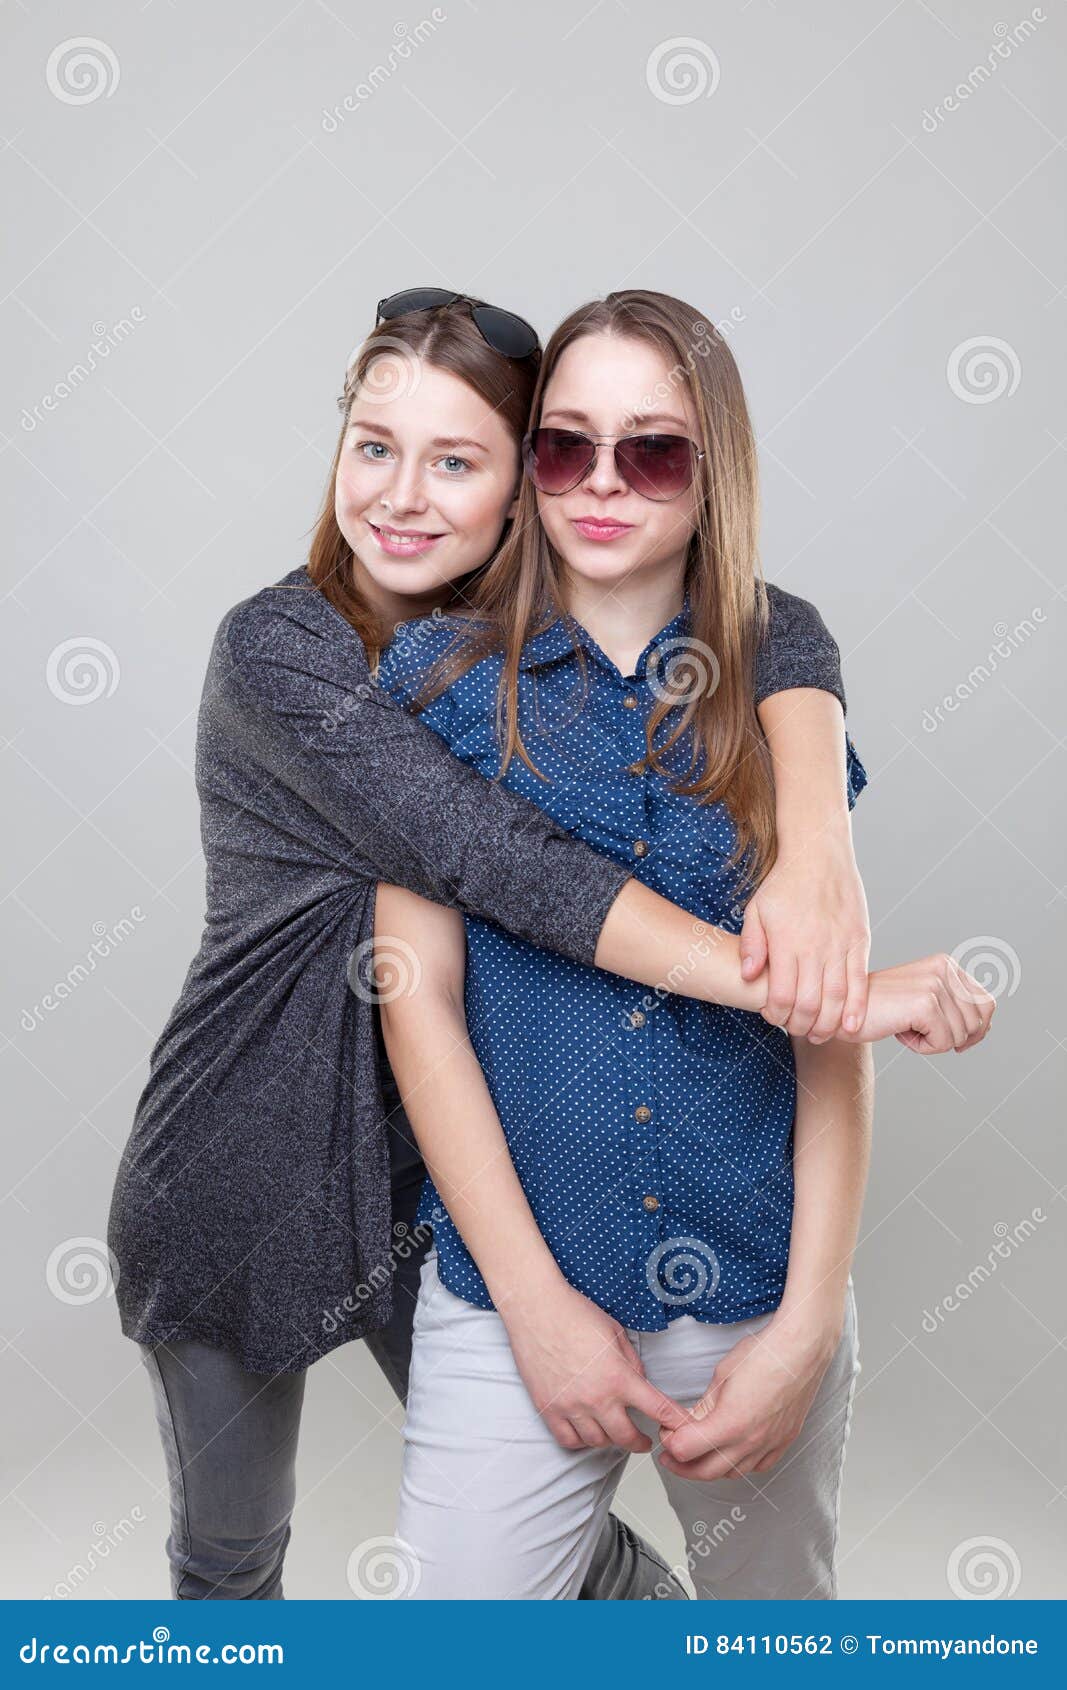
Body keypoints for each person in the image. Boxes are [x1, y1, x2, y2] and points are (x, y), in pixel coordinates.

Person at [107, 289, 899, 1601]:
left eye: (458, 460)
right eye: (374, 446)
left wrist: (819, 841)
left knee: (577, 1559)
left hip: (448, 1182)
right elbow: (507, 867)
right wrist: (815, 984)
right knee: (233, 1561)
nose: (402, 496)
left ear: (516, 483)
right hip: (251, 1154)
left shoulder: (547, 616)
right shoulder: (287, 652)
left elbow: (768, 622)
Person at [374, 290, 995, 1599]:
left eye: (652, 451)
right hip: (516, 1293)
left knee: (773, 1648)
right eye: (565, 446)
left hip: (758, 1291)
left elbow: (823, 1023)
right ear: (528, 462)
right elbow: (415, 1005)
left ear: (714, 471)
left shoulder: (775, 675)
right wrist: (534, 1305)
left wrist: (808, 1322)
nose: (603, 483)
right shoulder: (433, 679)